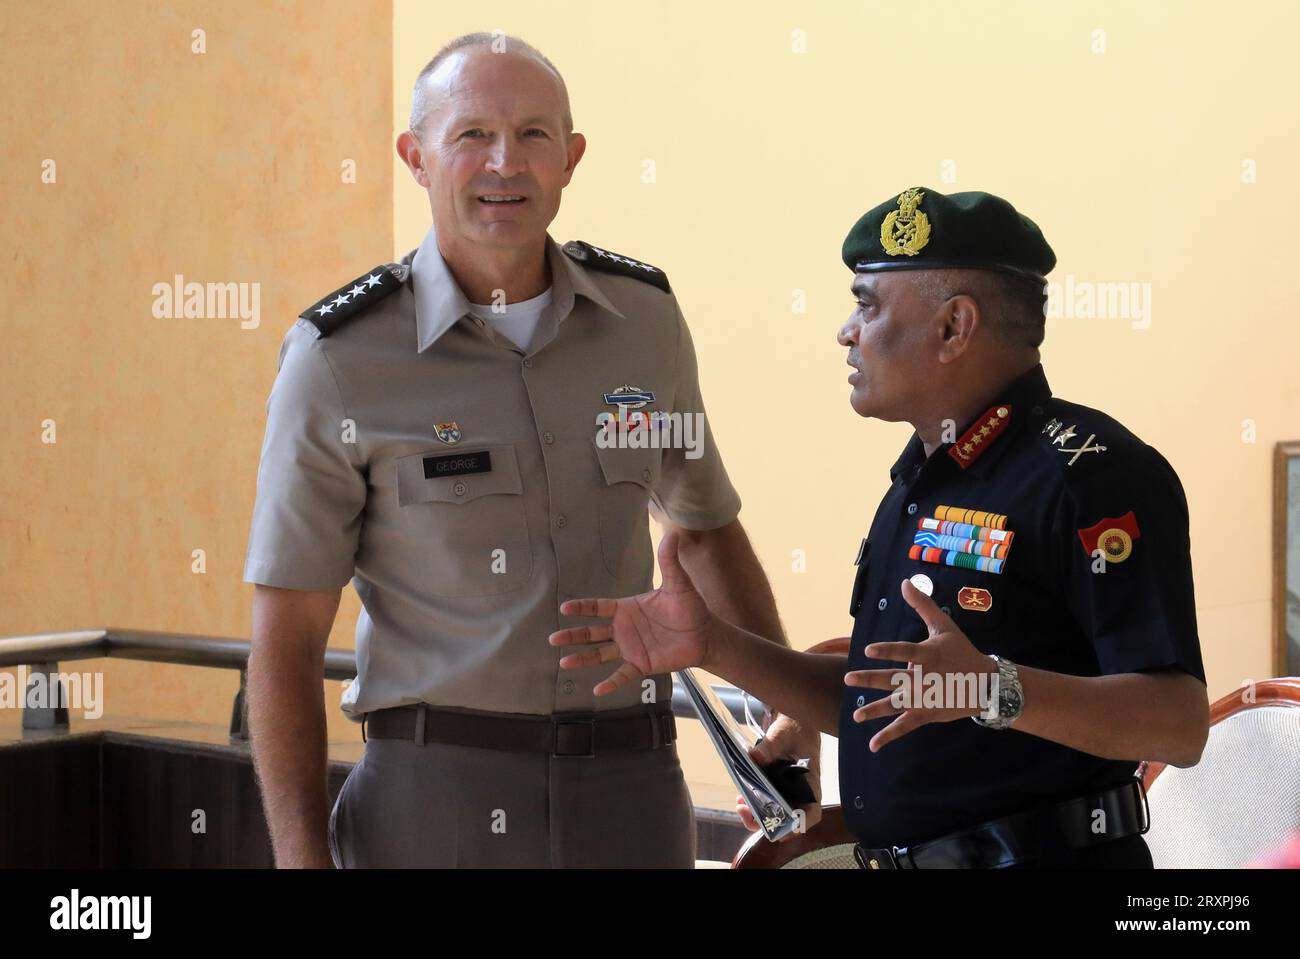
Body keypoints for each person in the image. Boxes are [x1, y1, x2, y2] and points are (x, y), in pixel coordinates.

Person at [241, 33, 806, 868]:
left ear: (571, 158)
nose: (506, 162)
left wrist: (782, 695)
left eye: (534, 135)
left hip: (633, 790)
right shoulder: (340, 359)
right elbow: (286, 636)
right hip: (435, 799)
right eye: (471, 135)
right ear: (415, 157)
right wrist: (297, 857)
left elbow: (702, 528)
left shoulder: (642, 324)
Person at [551, 186, 1210, 869]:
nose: (846, 330)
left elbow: (1179, 721)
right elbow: (875, 696)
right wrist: (714, 644)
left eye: (866, 304)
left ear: (954, 327)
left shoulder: (1090, 475)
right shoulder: (920, 479)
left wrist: (989, 686)